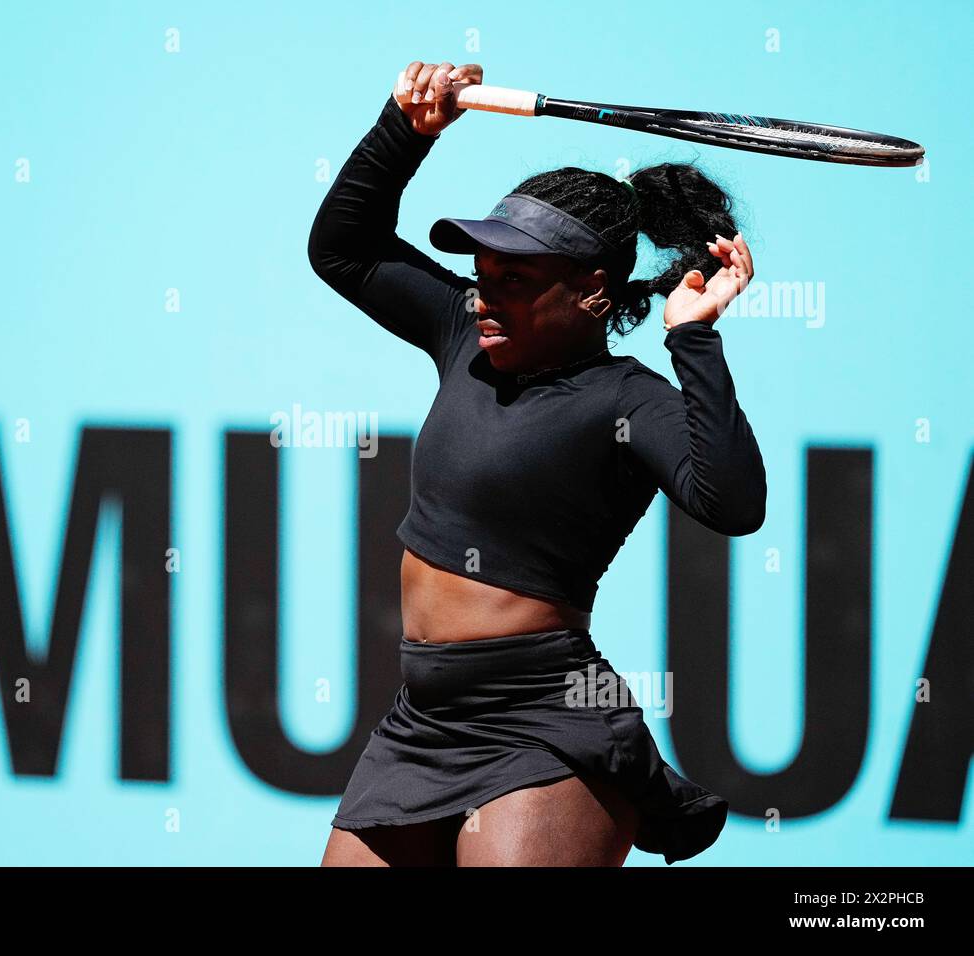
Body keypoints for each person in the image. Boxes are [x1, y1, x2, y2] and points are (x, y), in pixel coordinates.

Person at [307, 60, 766, 866]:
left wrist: (693, 336)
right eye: (481, 275)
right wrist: (404, 133)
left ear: (593, 290)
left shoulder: (628, 399)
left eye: (513, 279)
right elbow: (342, 249)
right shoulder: (463, 334)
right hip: (421, 721)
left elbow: (732, 504)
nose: (483, 296)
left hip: (544, 724)